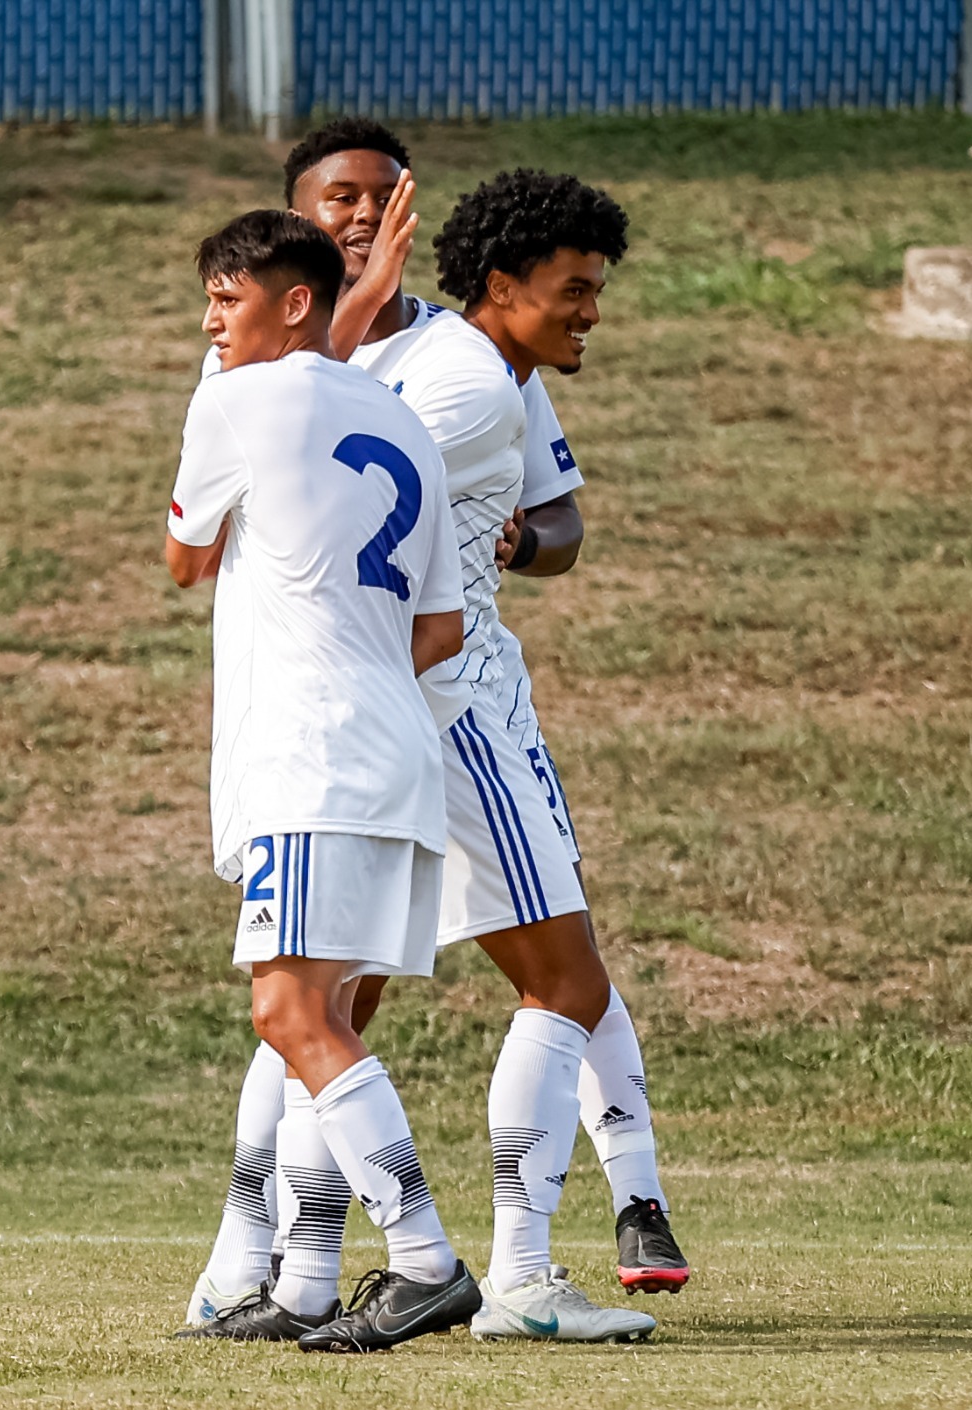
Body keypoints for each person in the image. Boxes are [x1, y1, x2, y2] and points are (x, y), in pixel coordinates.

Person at [185, 125, 683, 1346]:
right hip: (444, 718)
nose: (591, 313)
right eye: (575, 291)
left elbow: (535, 520)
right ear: (502, 286)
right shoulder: (444, 380)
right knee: (554, 986)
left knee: (321, 1005)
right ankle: (507, 1272)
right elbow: (317, 496)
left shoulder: (463, 372)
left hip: (394, 714)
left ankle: (284, 1273)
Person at [165, 208, 480, 1352]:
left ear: (295, 302)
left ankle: (423, 1256)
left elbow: (184, 556)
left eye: (226, 301)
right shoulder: (401, 422)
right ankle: (301, 1283)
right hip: (395, 751)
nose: (209, 323)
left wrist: (312, 676)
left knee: (286, 1012)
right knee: (324, 1016)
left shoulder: (237, 398)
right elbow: (439, 626)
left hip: (310, 759)